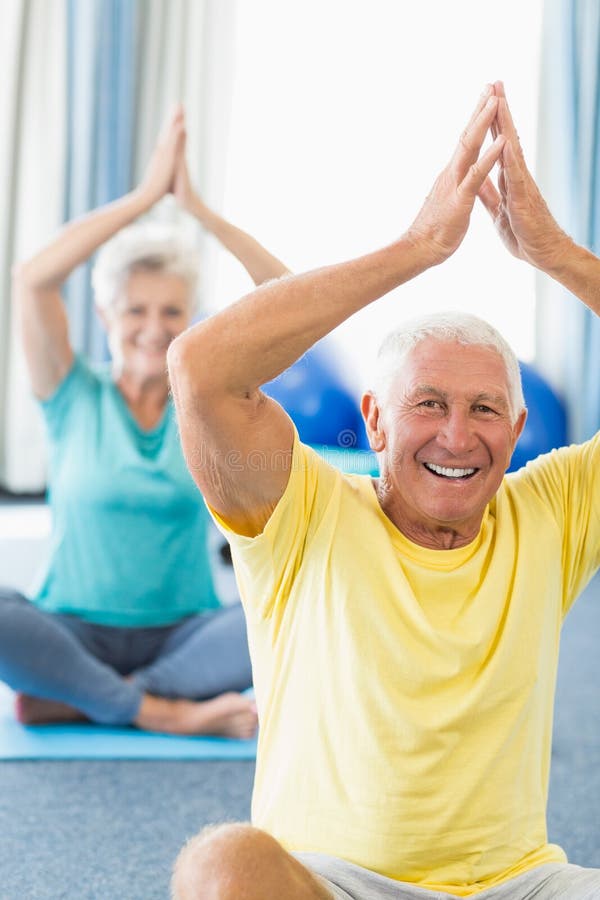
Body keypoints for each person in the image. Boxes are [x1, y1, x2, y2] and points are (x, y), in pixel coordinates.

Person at [167, 82, 600, 897]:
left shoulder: (555, 508)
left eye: (484, 411)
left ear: (517, 427)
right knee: (223, 863)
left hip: (518, 885)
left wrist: (556, 255)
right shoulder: (303, 513)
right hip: (337, 883)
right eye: (428, 405)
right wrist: (417, 247)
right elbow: (201, 369)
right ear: (374, 420)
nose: (457, 436)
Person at [0, 107, 289, 738]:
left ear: (194, 320)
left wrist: (201, 214)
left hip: (182, 637)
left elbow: (286, 296)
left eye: (172, 311)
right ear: (105, 317)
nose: (154, 327)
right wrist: (144, 197)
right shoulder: (70, 393)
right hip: (68, 627)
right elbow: (30, 279)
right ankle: (165, 714)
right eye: (135, 310)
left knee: (289, 605)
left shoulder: (209, 403)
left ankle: (90, 700)